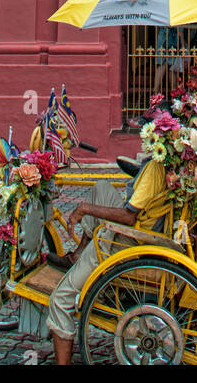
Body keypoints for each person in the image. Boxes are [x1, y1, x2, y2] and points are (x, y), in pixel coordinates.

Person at [45, 155, 167, 365]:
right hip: (145, 231)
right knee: (101, 188)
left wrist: (84, 209)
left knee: (59, 300)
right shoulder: (164, 161)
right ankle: (78, 256)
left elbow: (129, 217)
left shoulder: (156, 167)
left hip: (127, 241)